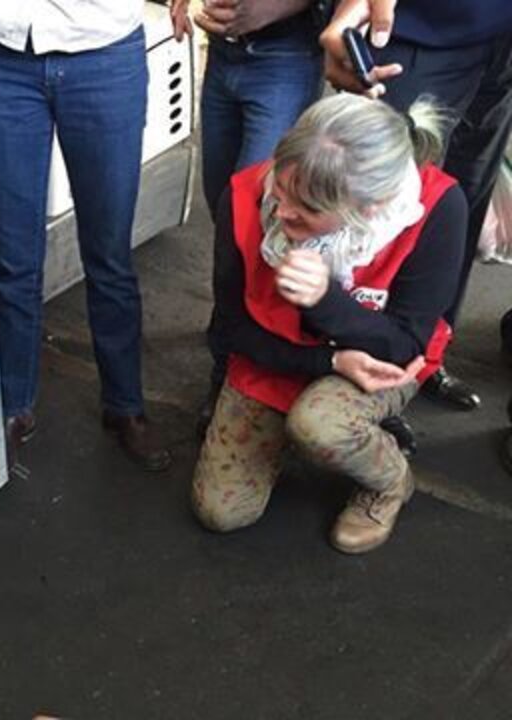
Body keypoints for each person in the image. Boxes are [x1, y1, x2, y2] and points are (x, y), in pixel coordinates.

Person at [191, 93, 466, 554]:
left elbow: (405, 345)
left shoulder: (437, 206)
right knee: (220, 513)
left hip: (380, 362)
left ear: (370, 208)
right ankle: (284, 440)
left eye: (307, 210)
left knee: (320, 425)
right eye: (279, 193)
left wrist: (324, 301)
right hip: (283, 353)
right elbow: (232, 328)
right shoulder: (243, 195)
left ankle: (388, 481)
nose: (280, 216)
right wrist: (330, 360)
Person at [0, 2, 190, 471]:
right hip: (0, 46)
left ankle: (125, 405)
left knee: (109, 252)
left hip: (102, 48)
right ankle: (13, 406)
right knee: (11, 253)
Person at [320, 0, 512, 412]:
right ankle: (348, 385)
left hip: (501, 35)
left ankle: (424, 357)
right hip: (418, 28)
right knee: (379, 207)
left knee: (458, 205)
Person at [192, 0, 328, 436]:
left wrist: (277, 8)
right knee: (226, 213)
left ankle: (235, 368)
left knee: (261, 221)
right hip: (222, 51)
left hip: (285, 55)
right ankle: (235, 339)